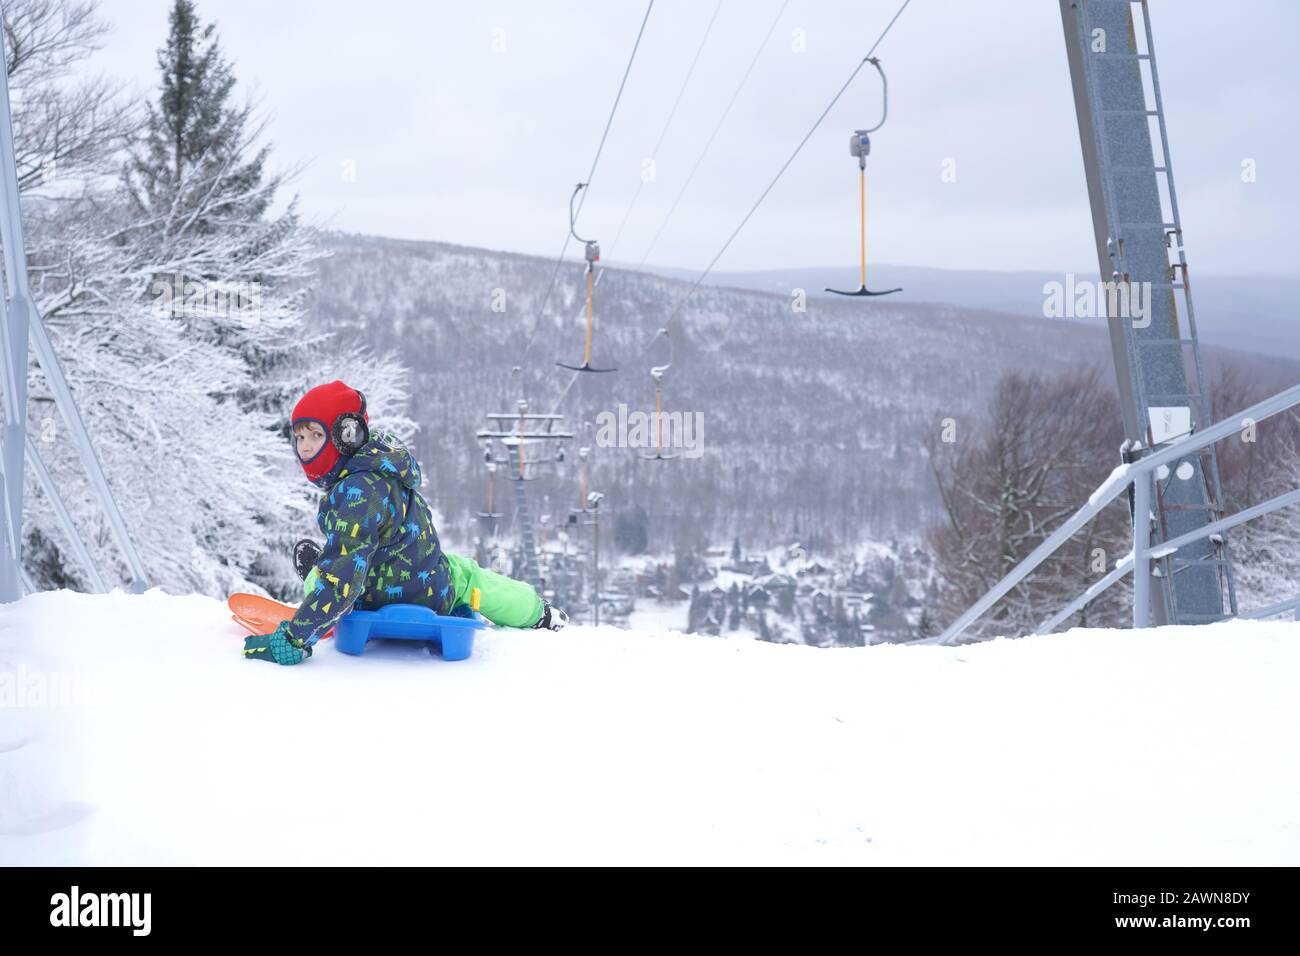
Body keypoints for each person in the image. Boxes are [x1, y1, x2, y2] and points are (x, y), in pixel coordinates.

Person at [243, 380, 567, 665]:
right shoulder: (383, 469)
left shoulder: (353, 490)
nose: (306, 446)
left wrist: (294, 640)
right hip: (431, 590)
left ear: (347, 435)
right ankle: (538, 612)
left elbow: (344, 584)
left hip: (368, 596)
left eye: (316, 434)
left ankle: (319, 577)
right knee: (467, 576)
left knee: (328, 577)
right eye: (299, 436)